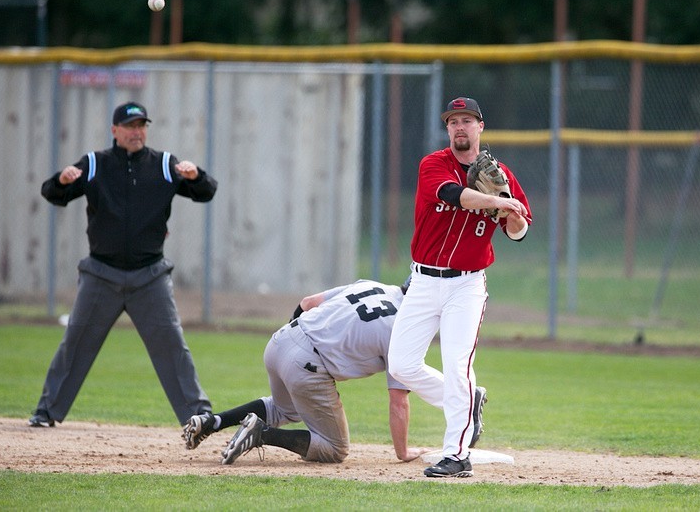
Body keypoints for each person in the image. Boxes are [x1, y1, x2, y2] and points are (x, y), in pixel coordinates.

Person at [29, 102, 217, 427]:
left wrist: (196, 175)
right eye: (130, 126)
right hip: (101, 274)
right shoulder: (94, 164)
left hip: (150, 277)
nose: (137, 131)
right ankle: (46, 412)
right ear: (115, 131)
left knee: (173, 346)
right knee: (75, 345)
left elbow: (206, 192)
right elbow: (52, 193)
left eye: (142, 125)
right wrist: (61, 180)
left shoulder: (163, 165)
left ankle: (198, 415)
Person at [182, 278, 487, 465]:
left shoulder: (372, 285)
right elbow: (399, 401)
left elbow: (307, 303)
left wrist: (295, 340)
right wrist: (403, 451)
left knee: (282, 408)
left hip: (280, 340)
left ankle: (212, 421)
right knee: (334, 448)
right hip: (308, 363)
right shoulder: (401, 329)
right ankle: (262, 434)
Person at [388, 97, 532, 478]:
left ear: (480, 127)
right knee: (401, 364)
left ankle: (457, 454)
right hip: (423, 280)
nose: (460, 127)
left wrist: (509, 210)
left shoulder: (502, 176)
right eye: (453, 122)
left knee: (456, 365)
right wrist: (495, 200)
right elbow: (454, 195)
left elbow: (519, 232)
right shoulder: (434, 164)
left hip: (465, 287)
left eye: (467, 120)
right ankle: (471, 401)